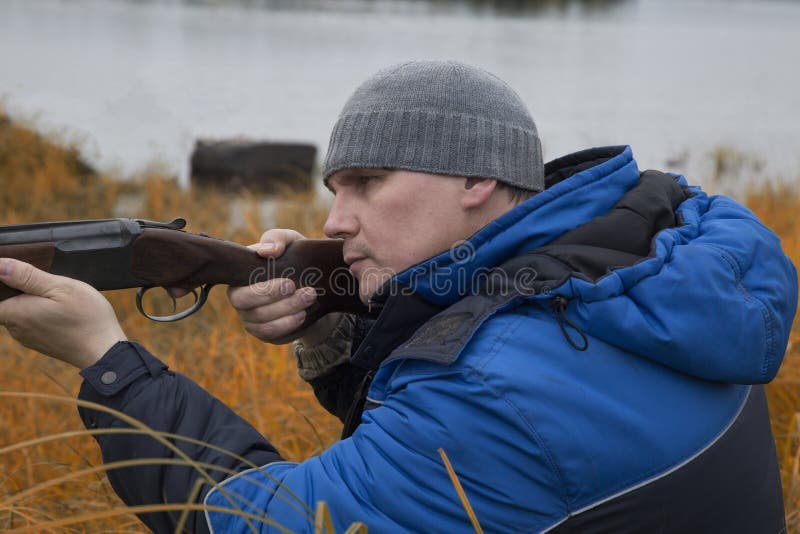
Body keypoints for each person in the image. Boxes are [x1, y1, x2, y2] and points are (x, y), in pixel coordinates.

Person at [0, 60, 796, 533]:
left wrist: (107, 361)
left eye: (369, 185)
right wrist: (332, 326)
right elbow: (415, 443)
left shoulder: (498, 393)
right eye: (335, 187)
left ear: (479, 179)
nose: (335, 220)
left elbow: (249, 522)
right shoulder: (637, 261)